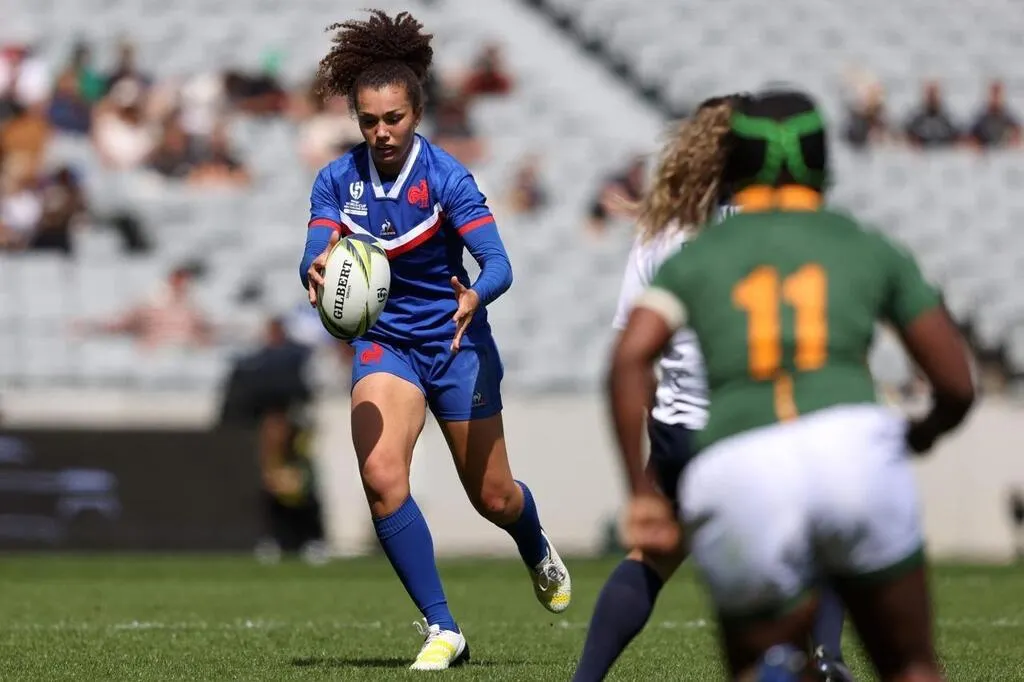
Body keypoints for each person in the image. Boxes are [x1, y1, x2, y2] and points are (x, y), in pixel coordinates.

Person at [608, 88, 975, 681]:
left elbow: (628, 358)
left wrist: (639, 490)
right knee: (912, 664)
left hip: (737, 457)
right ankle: (826, 666)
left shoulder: (697, 252)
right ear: (824, 162)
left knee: (759, 663)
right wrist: (922, 434)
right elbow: (957, 383)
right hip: (852, 446)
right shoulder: (864, 245)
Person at [298, 10, 570, 671]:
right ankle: (442, 629)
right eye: (369, 120)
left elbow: (499, 262)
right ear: (356, 119)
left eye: (393, 118)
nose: (381, 131)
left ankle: (533, 543)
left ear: (416, 111)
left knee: (494, 497)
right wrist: (314, 269)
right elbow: (316, 249)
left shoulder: (446, 178)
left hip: (455, 342)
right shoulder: (338, 179)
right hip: (384, 344)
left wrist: (476, 295)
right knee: (382, 476)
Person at [574, 96, 851, 682]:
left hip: (680, 432)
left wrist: (641, 470)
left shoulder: (662, 230)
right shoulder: (781, 226)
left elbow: (630, 349)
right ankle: (827, 660)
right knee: (824, 541)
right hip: (756, 424)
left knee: (651, 558)